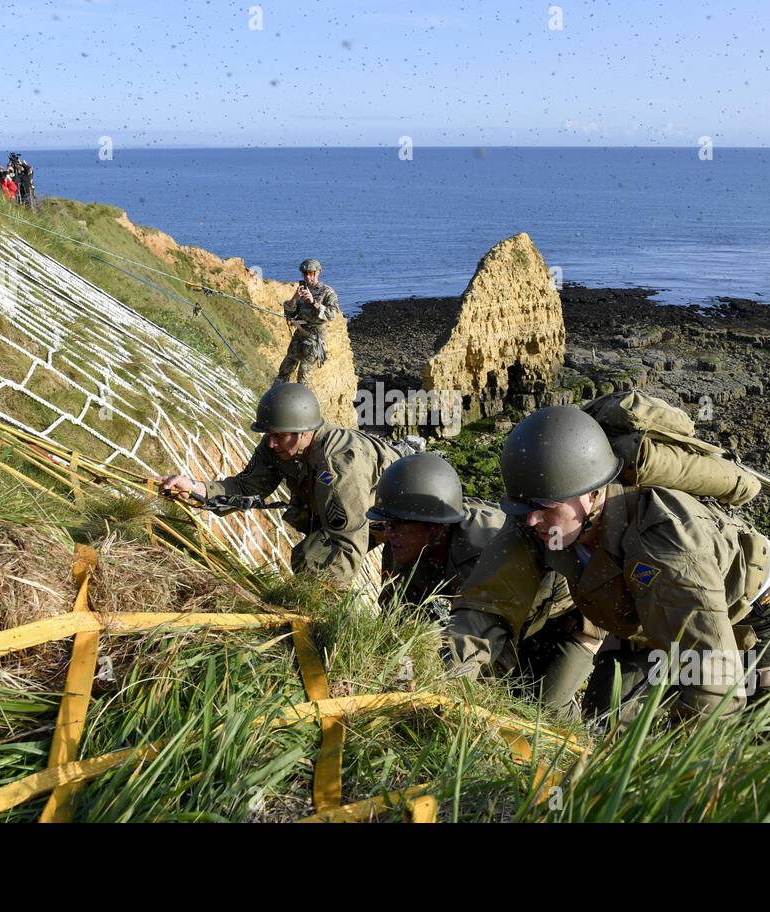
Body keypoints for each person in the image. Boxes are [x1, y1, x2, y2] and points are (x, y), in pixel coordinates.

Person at [445, 406, 770, 726]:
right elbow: (485, 606)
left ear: (593, 494)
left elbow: (713, 679)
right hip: (640, 614)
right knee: (605, 719)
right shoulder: (539, 518)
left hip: (757, 619)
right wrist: (445, 685)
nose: (529, 520)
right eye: (522, 507)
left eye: (543, 506)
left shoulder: (665, 545)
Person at [369, 452, 603, 718]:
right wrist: (402, 677)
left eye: (399, 524)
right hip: (518, 614)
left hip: (570, 618)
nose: (388, 533)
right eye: (386, 522)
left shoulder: (484, 552)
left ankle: (587, 741)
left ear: (434, 527)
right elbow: (398, 619)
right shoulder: (402, 546)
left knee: (543, 707)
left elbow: (494, 643)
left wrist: (460, 706)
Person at [159, 383, 399, 590]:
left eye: (279, 436)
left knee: (400, 596)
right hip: (365, 511)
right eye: (269, 435)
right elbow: (246, 488)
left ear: (304, 433)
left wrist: (318, 604)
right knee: (310, 556)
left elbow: (345, 538)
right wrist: (193, 488)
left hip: (405, 511)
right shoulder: (277, 446)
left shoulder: (338, 464)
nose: (271, 443)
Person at [275, 258, 339, 387]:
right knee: (287, 366)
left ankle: (302, 403)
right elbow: (289, 314)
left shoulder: (327, 291)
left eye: (311, 273)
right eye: (305, 273)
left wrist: (314, 303)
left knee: (304, 372)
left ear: (318, 273)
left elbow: (332, 315)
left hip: (314, 337)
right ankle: (275, 395)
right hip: (300, 332)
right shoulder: (301, 289)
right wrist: (294, 299)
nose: (308, 276)